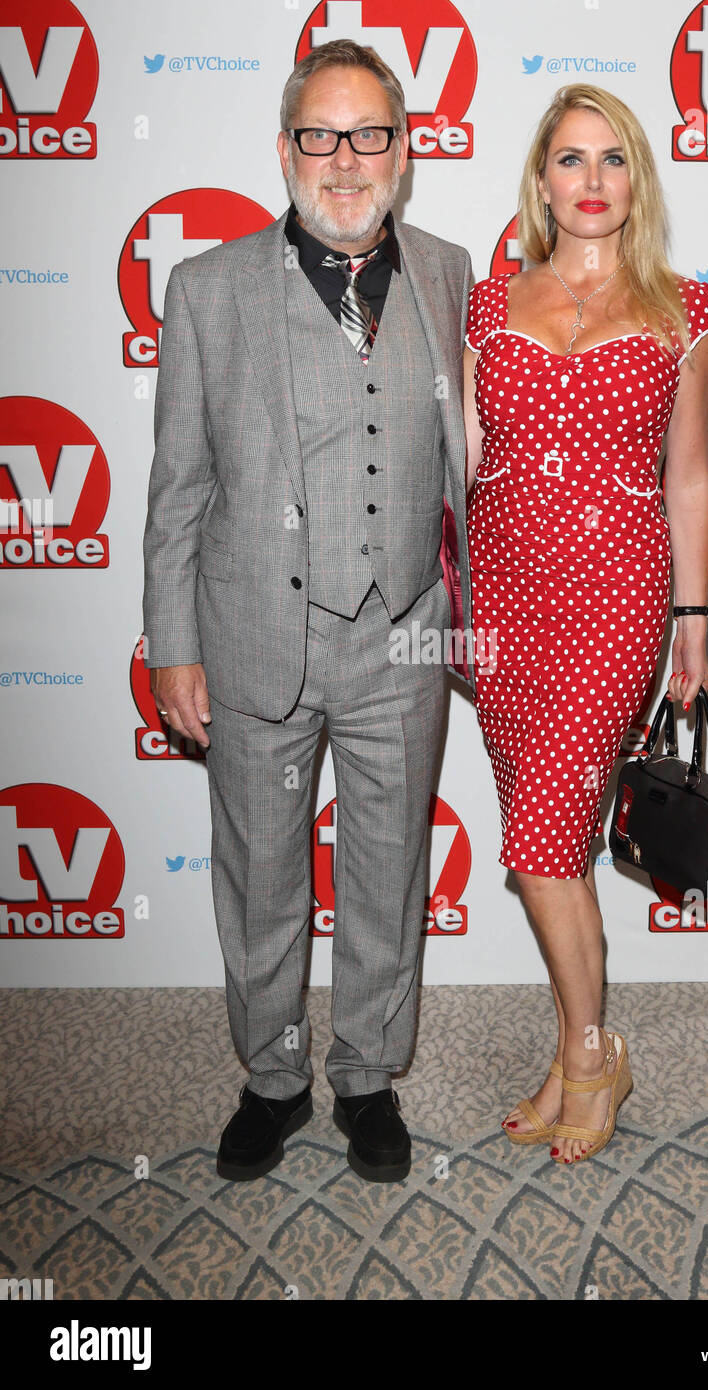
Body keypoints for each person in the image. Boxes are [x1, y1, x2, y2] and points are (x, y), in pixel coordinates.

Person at [142, 40, 473, 1184]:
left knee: (387, 869)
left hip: (405, 635)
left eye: (368, 134)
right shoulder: (208, 287)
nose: (345, 159)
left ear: (403, 150)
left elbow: (472, 468)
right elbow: (178, 488)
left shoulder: (448, 272)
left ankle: (367, 1076)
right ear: (285, 149)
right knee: (262, 877)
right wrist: (173, 645)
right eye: (320, 135)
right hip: (253, 634)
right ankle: (274, 1079)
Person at [462, 84, 708, 1165]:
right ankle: (575, 1048)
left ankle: (591, 1058)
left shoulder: (683, 310)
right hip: (500, 599)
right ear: (541, 180)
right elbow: (462, 464)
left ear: (636, 180)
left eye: (613, 158)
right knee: (549, 847)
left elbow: (688, 478)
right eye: (571, 158)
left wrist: (692, 617)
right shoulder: (487, 305)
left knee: (538, 841)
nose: (593, 179)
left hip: (614, 594)